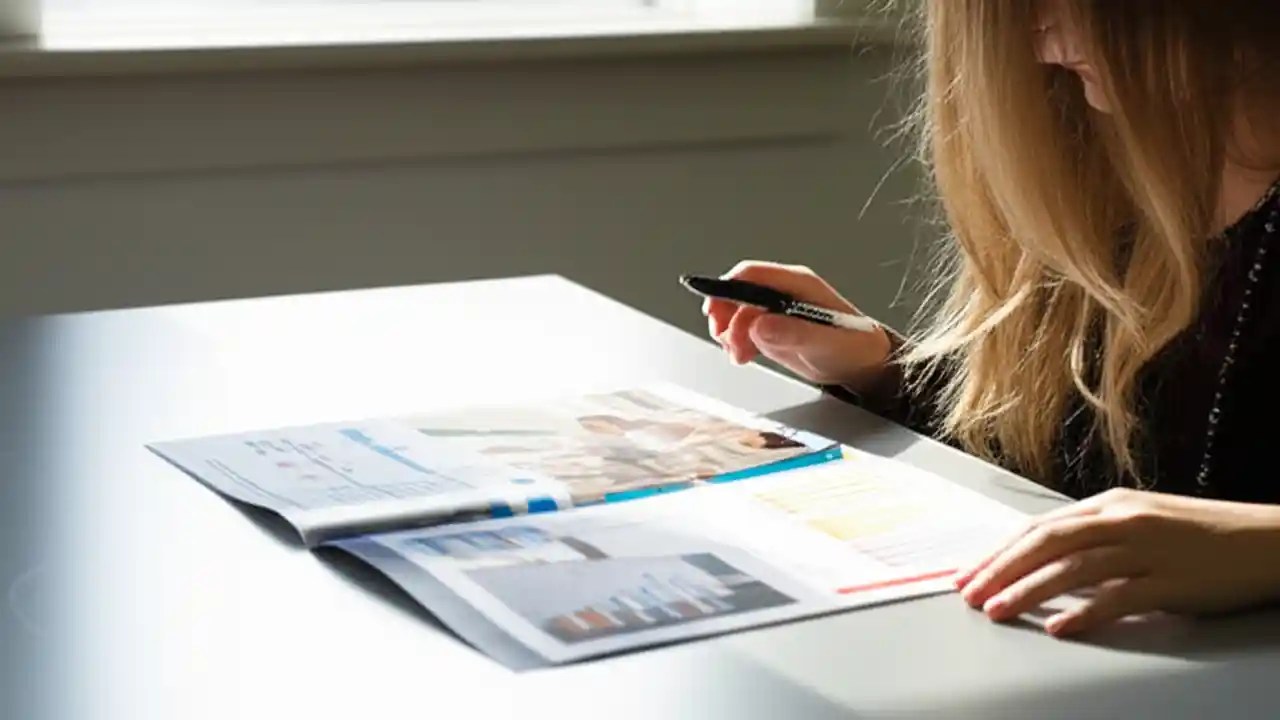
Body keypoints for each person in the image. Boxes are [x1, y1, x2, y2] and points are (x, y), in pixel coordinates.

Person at [701, 0, 1280, 637]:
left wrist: (1262, 545)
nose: (1033, 32)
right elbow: (1057, 467)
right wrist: (884, 374)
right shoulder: (1101, 168)